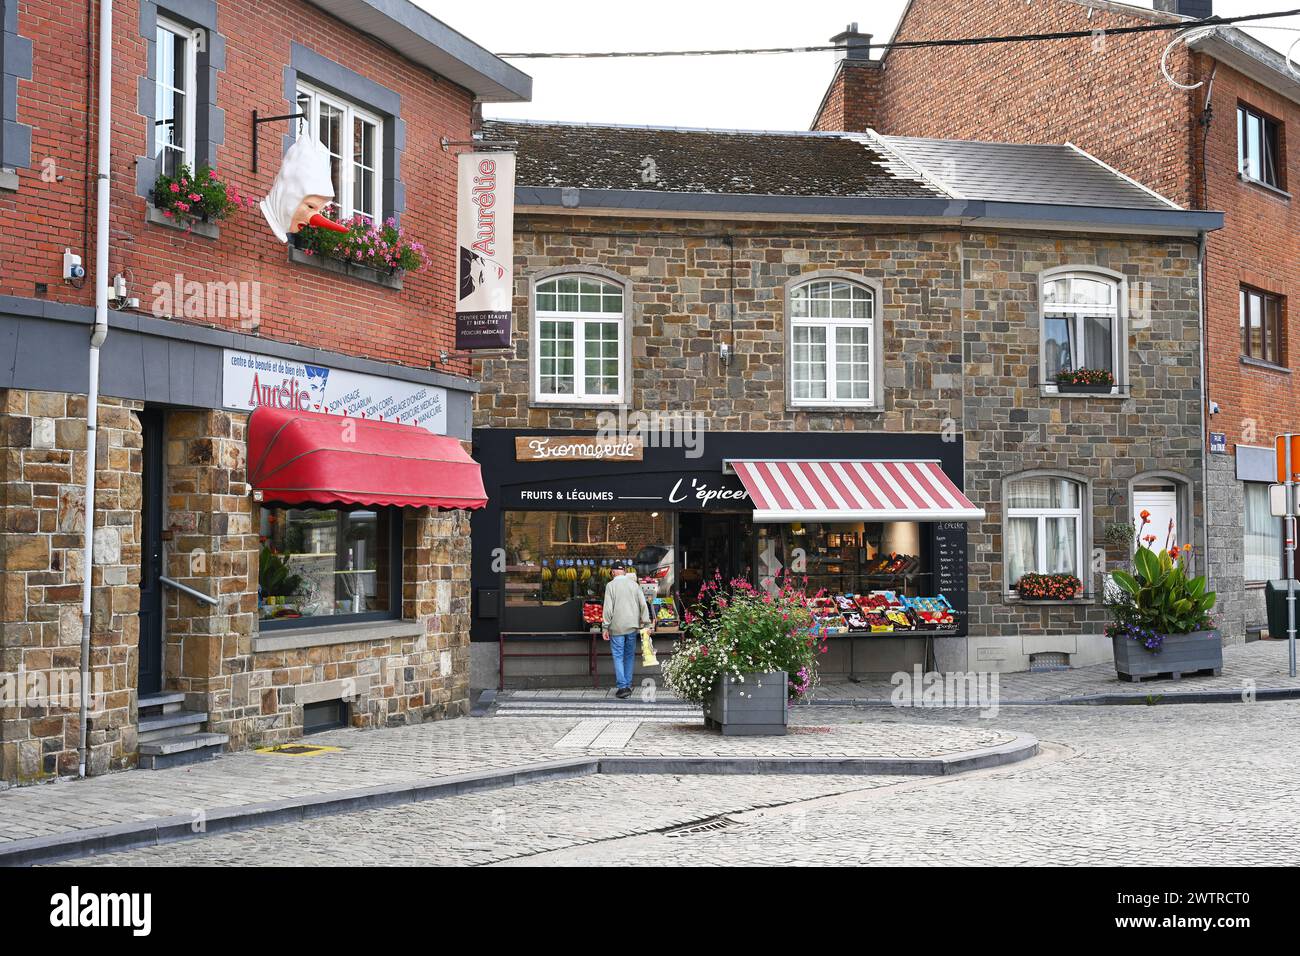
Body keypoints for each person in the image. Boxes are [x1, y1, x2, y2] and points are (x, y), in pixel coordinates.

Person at [601, 565, 650, 699]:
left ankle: (622, 687)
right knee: (629, 656)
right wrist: (647, 623)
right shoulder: (634, 585)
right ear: (625, 572)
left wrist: (605, 627)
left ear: (612, 572)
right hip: (632, 626)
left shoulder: (610, 586)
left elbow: (608, 608)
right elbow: (643, 604)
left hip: (616, 627)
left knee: (618, 656)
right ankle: (627, 685)